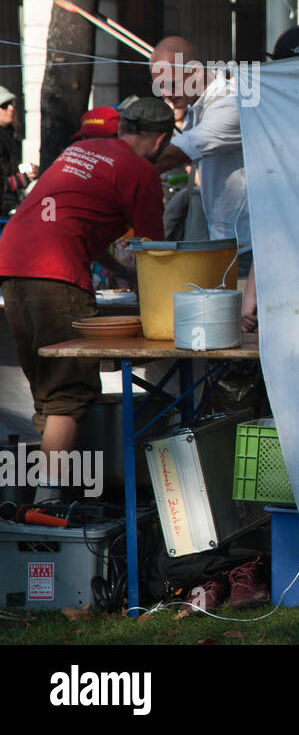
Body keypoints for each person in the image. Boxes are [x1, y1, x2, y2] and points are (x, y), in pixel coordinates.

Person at [0, 95, 172, 490]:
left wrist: (119, 271)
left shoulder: (82, 150)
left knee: (46, 389)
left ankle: (39, 503)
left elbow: (69, 220)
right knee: (68, 393)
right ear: (161, 141)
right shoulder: (142, 172)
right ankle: (51, 507)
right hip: (55, 274)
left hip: (11, 264)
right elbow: (156, 255)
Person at [239, 26, 299, 333]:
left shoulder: (280, 125)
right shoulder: (274, 123)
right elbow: (275, 214)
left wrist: (253, 290)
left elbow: (276, 215)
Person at [148, 37, 250, 266]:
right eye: (159, 85)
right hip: (225, 243)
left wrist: (122, 170)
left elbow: (174, 155)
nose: (165, 93)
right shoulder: (198, 104)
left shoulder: (228, 105)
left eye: (171, 84)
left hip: (246, 245)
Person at [0, 86, 35, 214]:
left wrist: (27, 170)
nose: (11, 108)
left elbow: (11, 167)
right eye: (4, 105)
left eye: (12, 103)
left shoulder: (12, 135)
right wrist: (24, 178)